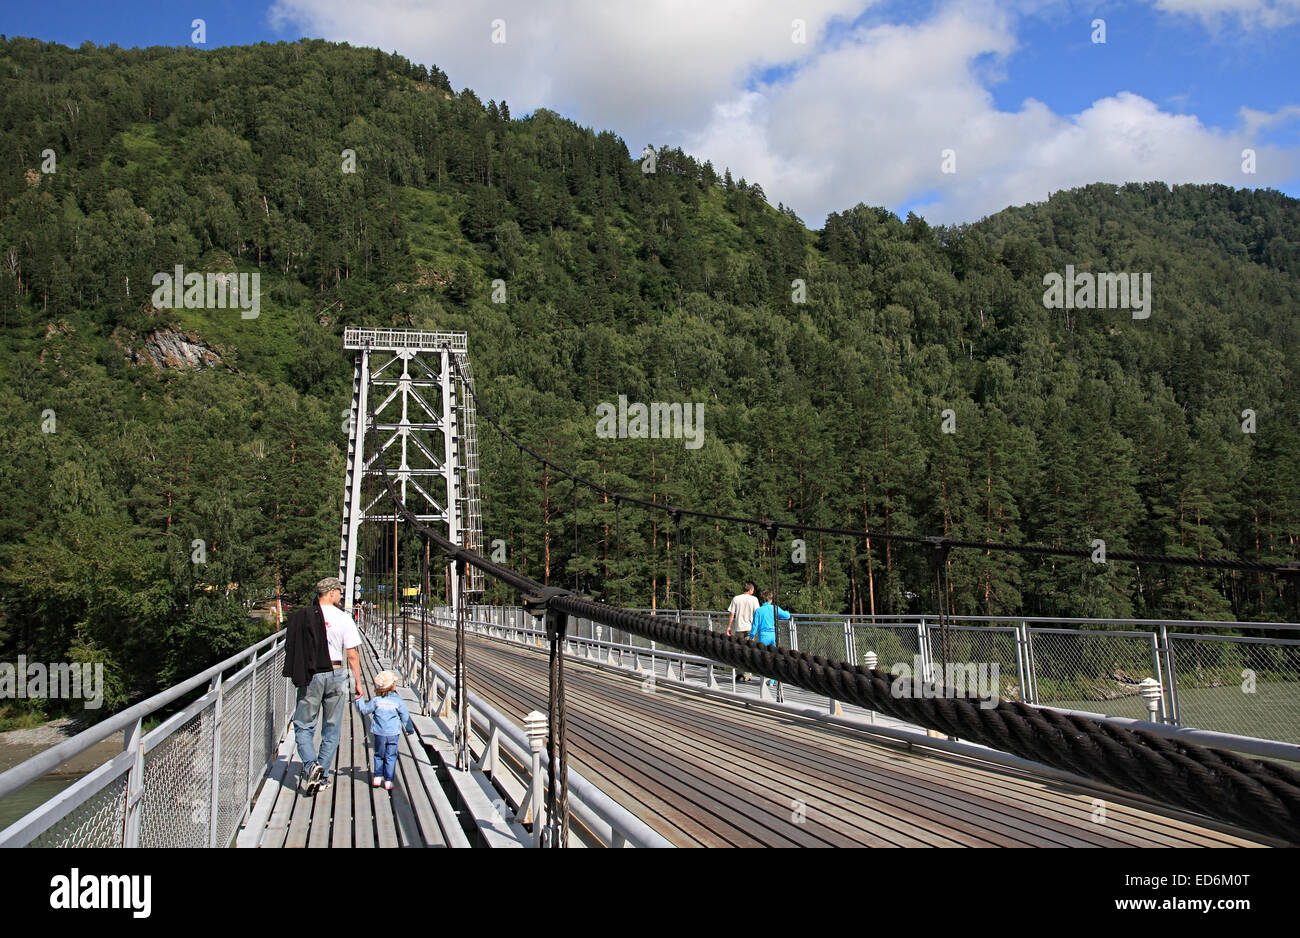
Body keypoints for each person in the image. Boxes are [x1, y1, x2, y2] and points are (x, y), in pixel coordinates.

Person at [283, 576, 363, 795]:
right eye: (338, 591)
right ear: (330, 593)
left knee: (303, 725)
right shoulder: (344, 618)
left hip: (312, 675)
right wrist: (358, 682)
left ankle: (310, 765)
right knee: (331, 728)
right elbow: (353, 655)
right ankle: (323, 774)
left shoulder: (303, 617)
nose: (340, 595)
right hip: (337, 674)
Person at [354, 670, 417, 791]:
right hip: (393, 733)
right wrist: (409, 729)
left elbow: (364, 710)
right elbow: (405, 716)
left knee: (379, 754)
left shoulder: (376, 700)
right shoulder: (398, 701)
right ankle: (388, 780)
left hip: (379, 733)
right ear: (392, 685)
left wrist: (359, 699)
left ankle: (377, 777)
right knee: (391, 756)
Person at [749, 589, 791, 687]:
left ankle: (765, 678)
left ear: (762, 599)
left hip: (764, 636)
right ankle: (772, 680)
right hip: (774, 635)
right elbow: (786, 616)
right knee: (774, 657)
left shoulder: (758, 611)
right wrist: (787, 611)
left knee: (764, 658)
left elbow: (755, 626)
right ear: (771, 599)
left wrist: (751, 637)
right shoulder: (774, 608)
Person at [725, 581, 759, 681]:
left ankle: (739, 673)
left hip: (739, 628)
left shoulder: (736, 598)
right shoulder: (754, 599)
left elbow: (732, 614)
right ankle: (747, 674)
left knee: (738, 651)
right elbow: (757, 614)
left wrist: (728, 627)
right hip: (750, 629)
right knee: (748, 651)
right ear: (751, 590)